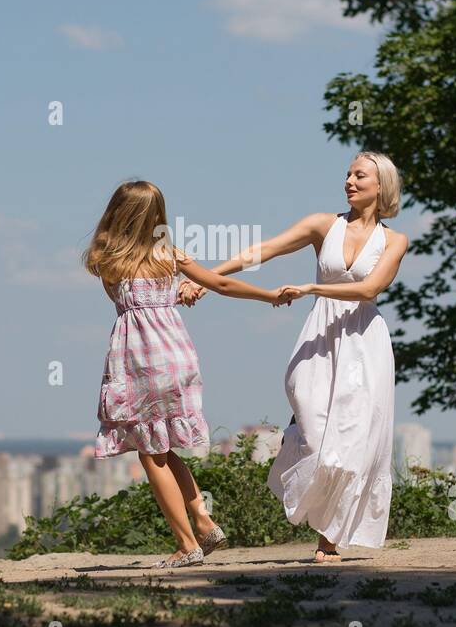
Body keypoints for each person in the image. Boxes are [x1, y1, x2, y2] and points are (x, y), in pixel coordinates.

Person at [178, 153, 408, 562]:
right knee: (316, 433)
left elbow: (369, 289)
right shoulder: (324, 224)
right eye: (348, 174)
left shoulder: (395, 241)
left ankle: (328, 541)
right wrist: (207, 280)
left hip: (364, 343)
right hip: (319, 336)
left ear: (381, 186)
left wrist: (311, 289)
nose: (349, 181)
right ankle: (296, 440)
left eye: (360, 175)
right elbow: (263, 251)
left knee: (353, 443)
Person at [84, 180, 295, 568]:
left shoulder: (108, 262)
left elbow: (119, 299)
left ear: (116, 214)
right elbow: (222, 283)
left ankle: (186, 545)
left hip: (139, 360)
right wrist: (269, 296)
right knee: (161, 446)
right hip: (178, 357)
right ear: (157, 217)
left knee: (150, 452)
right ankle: (202, 518)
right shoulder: (171, 257)